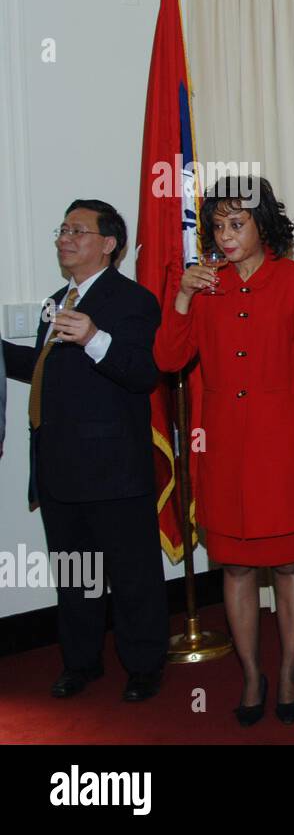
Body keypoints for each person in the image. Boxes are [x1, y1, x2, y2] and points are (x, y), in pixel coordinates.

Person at [153, 176, 294, 727]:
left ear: (263, 225)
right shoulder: (202, 286)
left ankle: (288, 672)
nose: (226, 236)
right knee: (232, 567)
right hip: (225, 449)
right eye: (218, 226)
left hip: (283, 448)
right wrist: (181, 296)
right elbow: (167, 359)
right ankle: (253, 674)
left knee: (287, 564)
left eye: (238, 224)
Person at [2, 200, 169, 701]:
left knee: (133, 574)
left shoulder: (132, 300)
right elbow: (46, 368)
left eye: (77, 230)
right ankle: (81, 662)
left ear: (109, 243)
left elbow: (143, 373)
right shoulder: (60, 299)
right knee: (76, 575)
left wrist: (95, 338)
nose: (64, 238)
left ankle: (143, 666)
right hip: (59, 466)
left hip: (115, 468)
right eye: (62, 229)